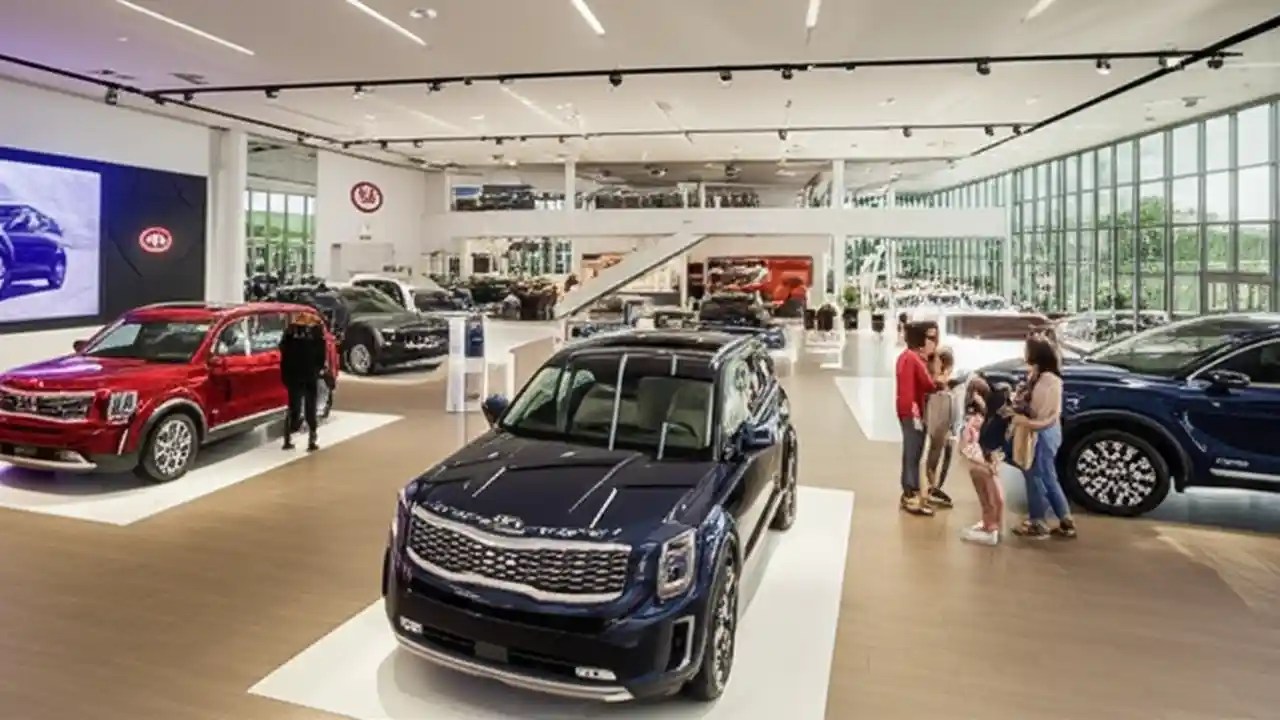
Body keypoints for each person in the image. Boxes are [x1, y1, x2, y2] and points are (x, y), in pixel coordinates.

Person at [1008, 334, 1077, 539]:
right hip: (1040, 432)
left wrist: (1024, 420)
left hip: (1042, 435)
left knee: (1038, 476)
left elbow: (1046, 415)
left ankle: (1039, 521)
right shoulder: (1038, 376)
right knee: (1044, 476)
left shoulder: (1049, 381)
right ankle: (1064, 520)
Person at [896, 321, 941, 516]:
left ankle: (912, 490)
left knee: (914, 451)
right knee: (913, 452)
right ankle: (910, 492)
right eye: (930, 338)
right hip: (912, 412)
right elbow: (929, 384)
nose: (934, 343)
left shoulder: (910, 357)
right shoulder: (913, 359)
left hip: (912, 411)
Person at [957, 377, 1006, 545]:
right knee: (993, 491)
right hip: (986, 456)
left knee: (986, 492)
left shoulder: (976, 418)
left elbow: (968, 440)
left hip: (979, 457)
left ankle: (990, 526)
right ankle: (992, 523)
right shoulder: (992, 418)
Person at [278, 311, 328, 452]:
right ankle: (311, 440)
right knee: (310, 406)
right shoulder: (316, 332)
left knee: (293, 405)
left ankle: (288, 438)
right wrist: (318, 369)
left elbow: (283, 350)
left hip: (292, 374)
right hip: (309, 374)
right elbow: (321, 354)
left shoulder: (289, 332)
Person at [922, 346, 956, 508]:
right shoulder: (938, 382)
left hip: (944, 421)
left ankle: (935, 485)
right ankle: (933, 486)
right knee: (937, 452)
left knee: (942, 452)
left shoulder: (943, 380)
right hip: (940, 420)